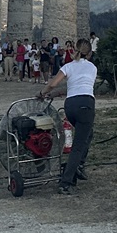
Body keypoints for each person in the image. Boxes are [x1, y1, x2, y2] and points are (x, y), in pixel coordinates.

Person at [38, 39, 98, 196]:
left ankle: (77, 166)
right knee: (79, 145)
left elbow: (54, 83)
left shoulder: (68, 66)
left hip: (70, 105)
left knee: (88, 134)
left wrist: (42, 93)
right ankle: (67, 181)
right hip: (85, 104)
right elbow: (82, 86)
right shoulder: (92, 67)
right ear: (90, 53)